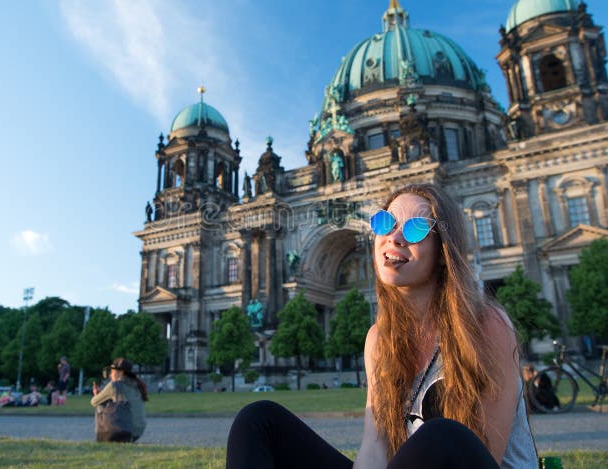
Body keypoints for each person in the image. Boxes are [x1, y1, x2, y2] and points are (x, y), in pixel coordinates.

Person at [226, 183, 537, 468]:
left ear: (443, 251)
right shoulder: (379, 339)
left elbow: (482, 455)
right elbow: (374, 448)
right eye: (384, 223)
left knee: (443, 435)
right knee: (258, 420)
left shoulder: (486, 324)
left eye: (415, 229)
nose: (394, 237)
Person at [90, 357, 148, 442]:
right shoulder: (136, 384)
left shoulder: (115, 385)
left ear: (120, 373)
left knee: (100, 404)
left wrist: (97, 394)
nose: (110, 375)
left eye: (112, 372)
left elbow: (94, 402)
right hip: (138, 432)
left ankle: (103, 435)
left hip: (124, 431)